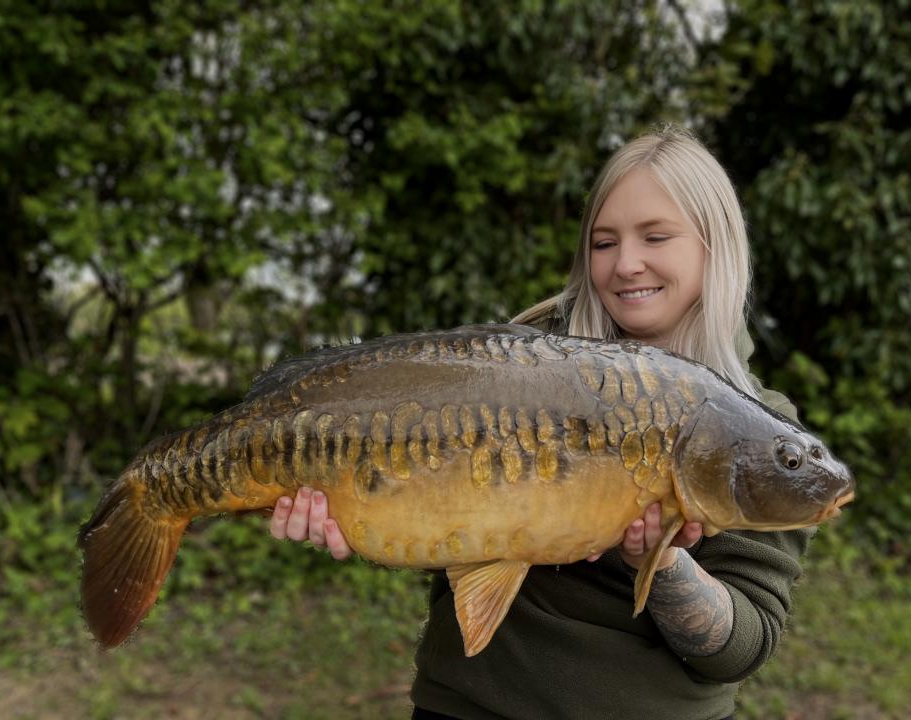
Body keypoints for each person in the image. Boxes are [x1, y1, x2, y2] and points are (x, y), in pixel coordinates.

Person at [269, 126, 812, 719]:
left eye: (655, 236)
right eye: (604, 243)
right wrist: (359, 509)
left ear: (717, 246)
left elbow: (743, 648)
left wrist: (659, 564)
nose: (627, 263)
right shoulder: (515, 366)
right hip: (465, 706)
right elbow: (450, 520)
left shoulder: (756, 427)